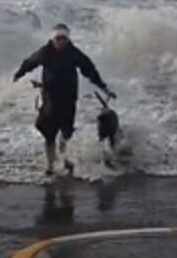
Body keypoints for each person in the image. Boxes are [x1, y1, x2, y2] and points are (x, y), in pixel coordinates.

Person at [13, 24, 115, 175]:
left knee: (66, 131)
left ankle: (64, 157)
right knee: (48, 132)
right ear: (52, 39)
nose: (61, 42)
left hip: (68, 97)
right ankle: (50, 165)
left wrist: (103, 87)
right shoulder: (45, 52)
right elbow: (29, 63)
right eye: (58, 39)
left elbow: (89, 70)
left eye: (64, 39)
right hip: (50, 98)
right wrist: (18, 74)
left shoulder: (73, 53)